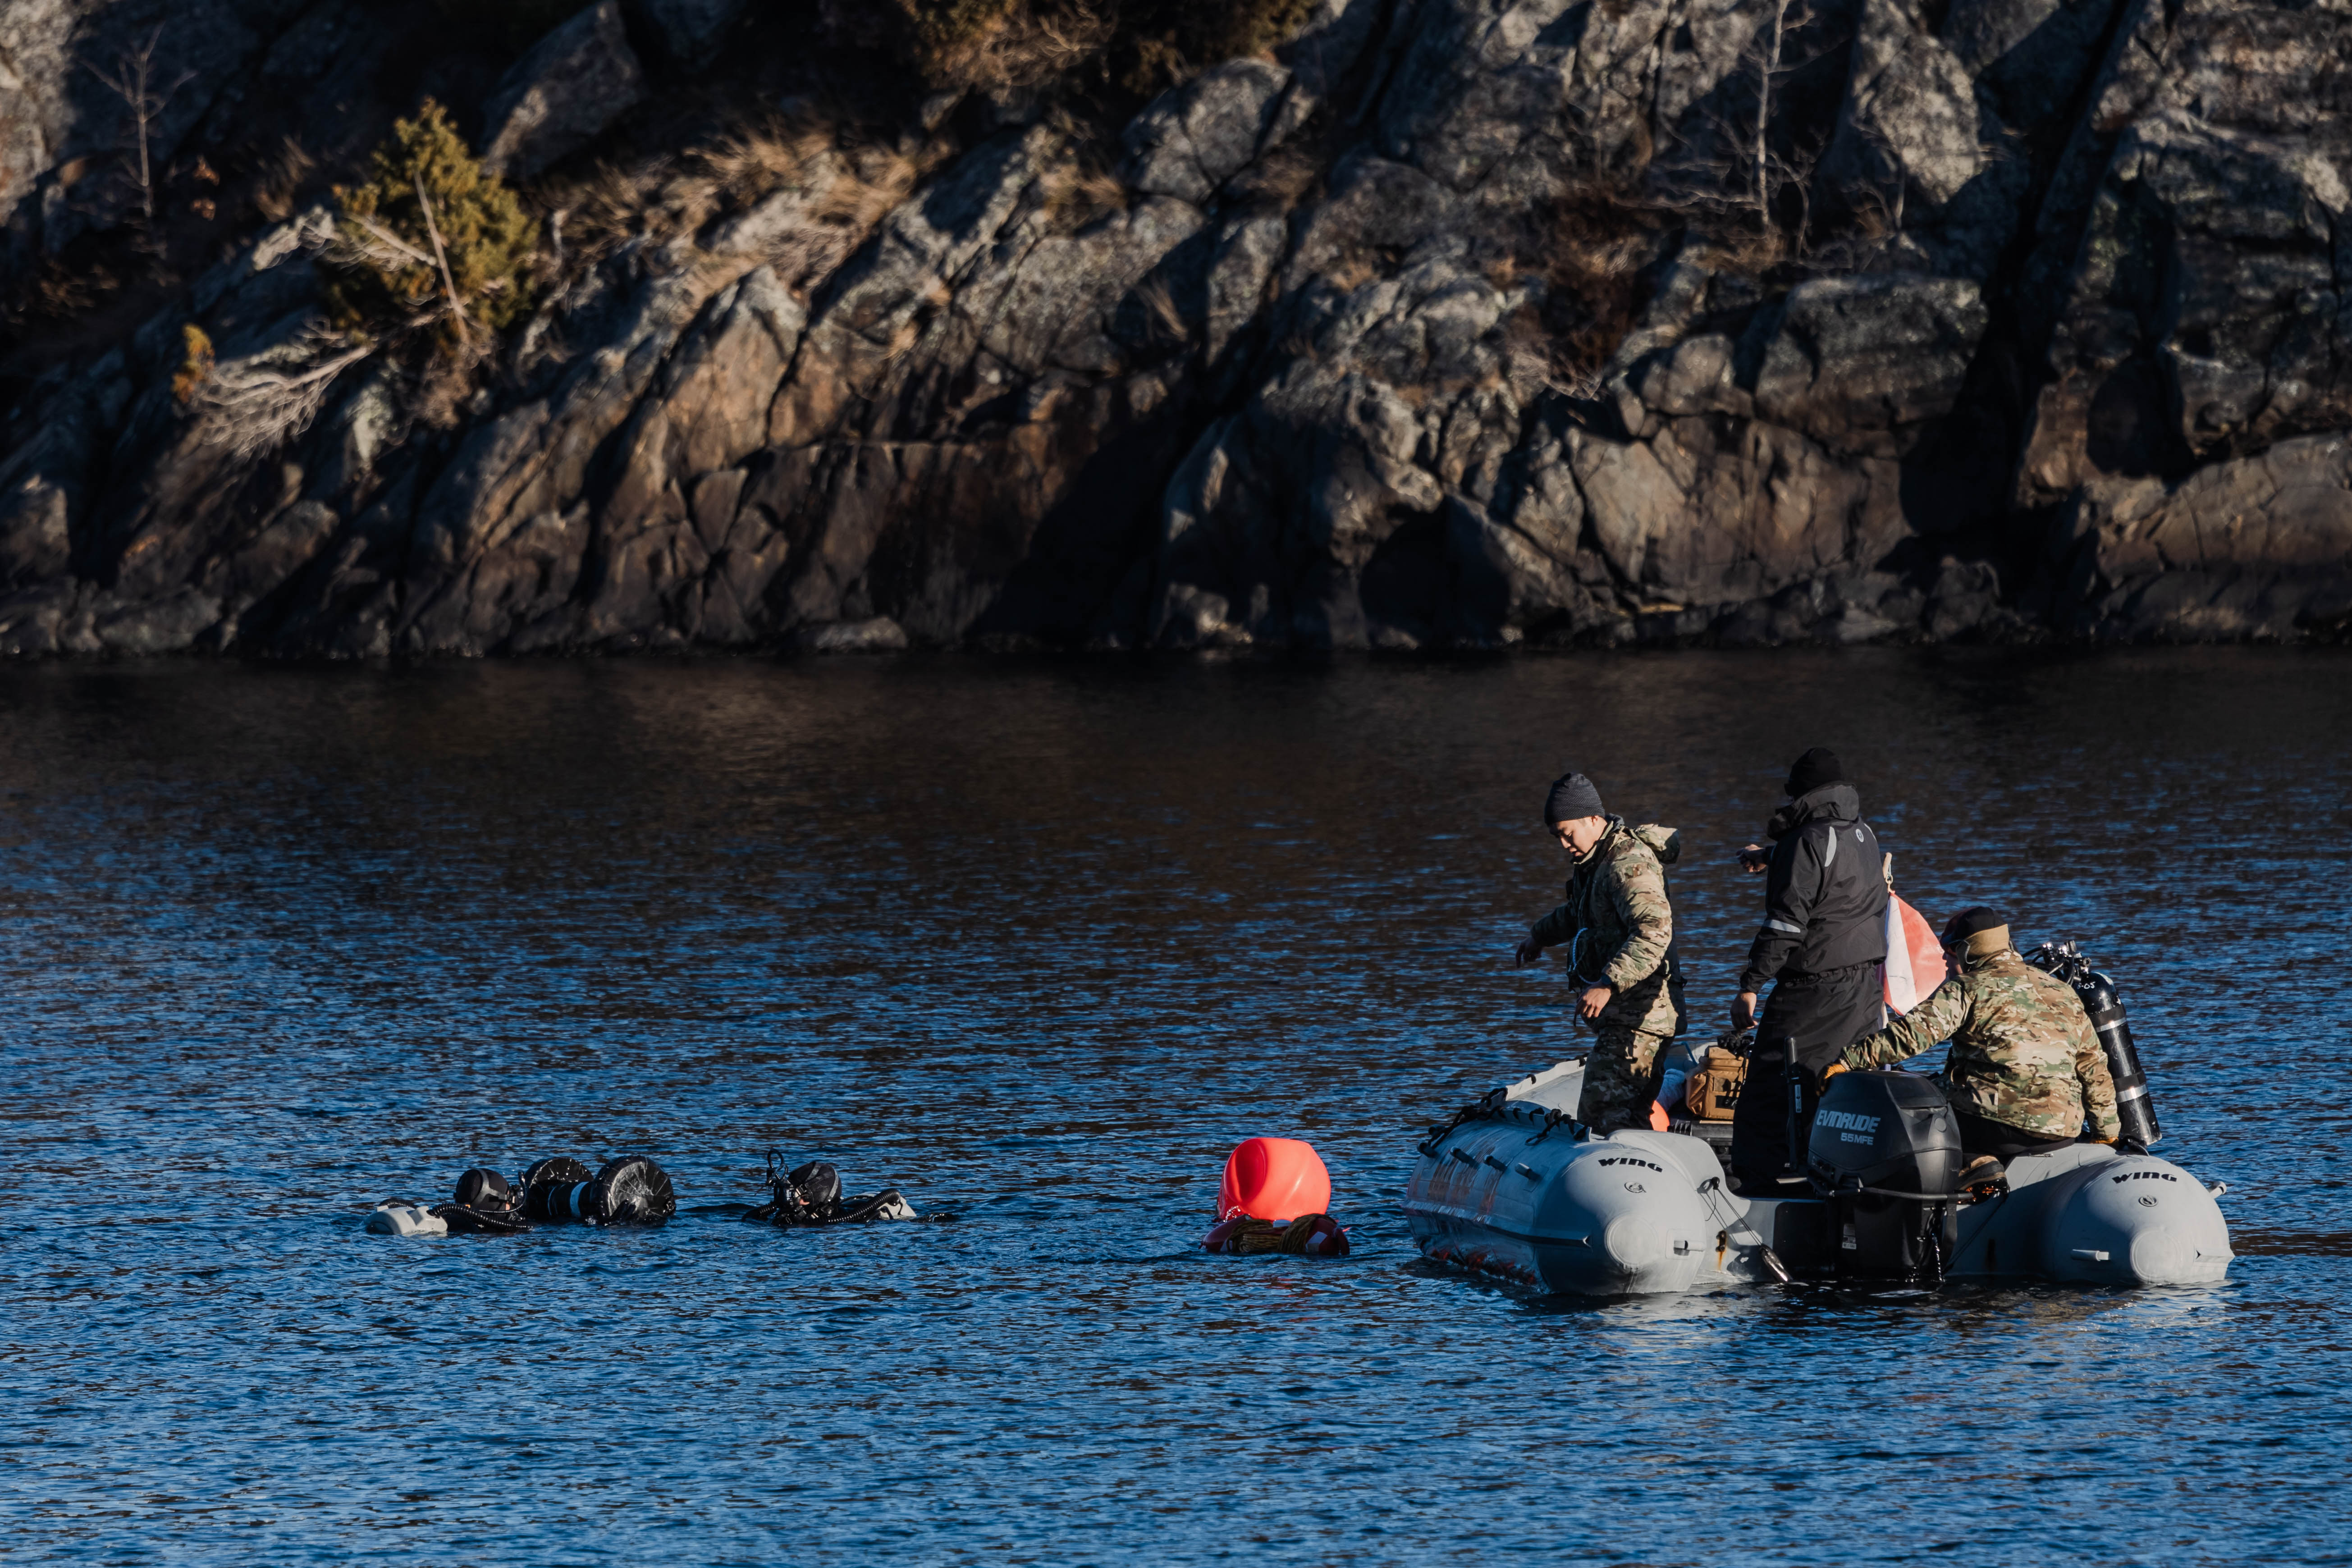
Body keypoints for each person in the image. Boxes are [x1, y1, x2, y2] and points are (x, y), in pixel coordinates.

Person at [1829, 907, 2120, 1177]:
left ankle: (1976, 1164)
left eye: (1951, 949)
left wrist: (1848, 1061)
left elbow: (1911, 1036)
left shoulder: (1968, 987)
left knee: (1914, 1099)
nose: (1945, 957)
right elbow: (2094, 1068)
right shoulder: (2063, 992)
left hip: (1992, 1127)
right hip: (2062, 1130)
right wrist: (2105, 1133)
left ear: (1968, 951)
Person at [1728, 747, 1888, 1190]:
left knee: (1769, 1084)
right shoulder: (1863, 832)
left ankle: (1758, 1187)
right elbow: (1829, 864)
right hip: (1865, 983)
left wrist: (1750, 985)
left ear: (1800, 793)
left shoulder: (1805, 842)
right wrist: (1774, 855)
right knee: (1840, 1081)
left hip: (1814, 987)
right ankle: (1836, 1172)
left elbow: (1784, 926)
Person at [1512, 770, 1685, 1134]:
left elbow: (1654, 932)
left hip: (1642, 1018)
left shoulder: (1627, 864)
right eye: (1556, 836)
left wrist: (1608, 983)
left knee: (1604, 1117)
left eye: (1567, 833)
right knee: (1620, 1117)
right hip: (1626, 1017)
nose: (1563, 844)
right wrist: (1539, 937)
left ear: (1594, 819)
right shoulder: (1596, 864)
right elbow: (1579, 914)